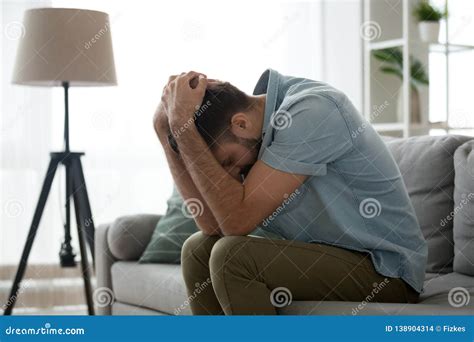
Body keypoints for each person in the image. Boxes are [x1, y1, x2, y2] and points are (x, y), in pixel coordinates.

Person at [153, 69, 427, 315]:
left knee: (232, 257)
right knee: (197, 250)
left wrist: (181, 124)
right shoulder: (255, 135)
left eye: (227, 162)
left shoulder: (312, 110)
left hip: (386, 272)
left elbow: (235, 223)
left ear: (240, 124)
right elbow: (212, 224)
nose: (230, 175)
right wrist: (165, 130)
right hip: (326, 256)